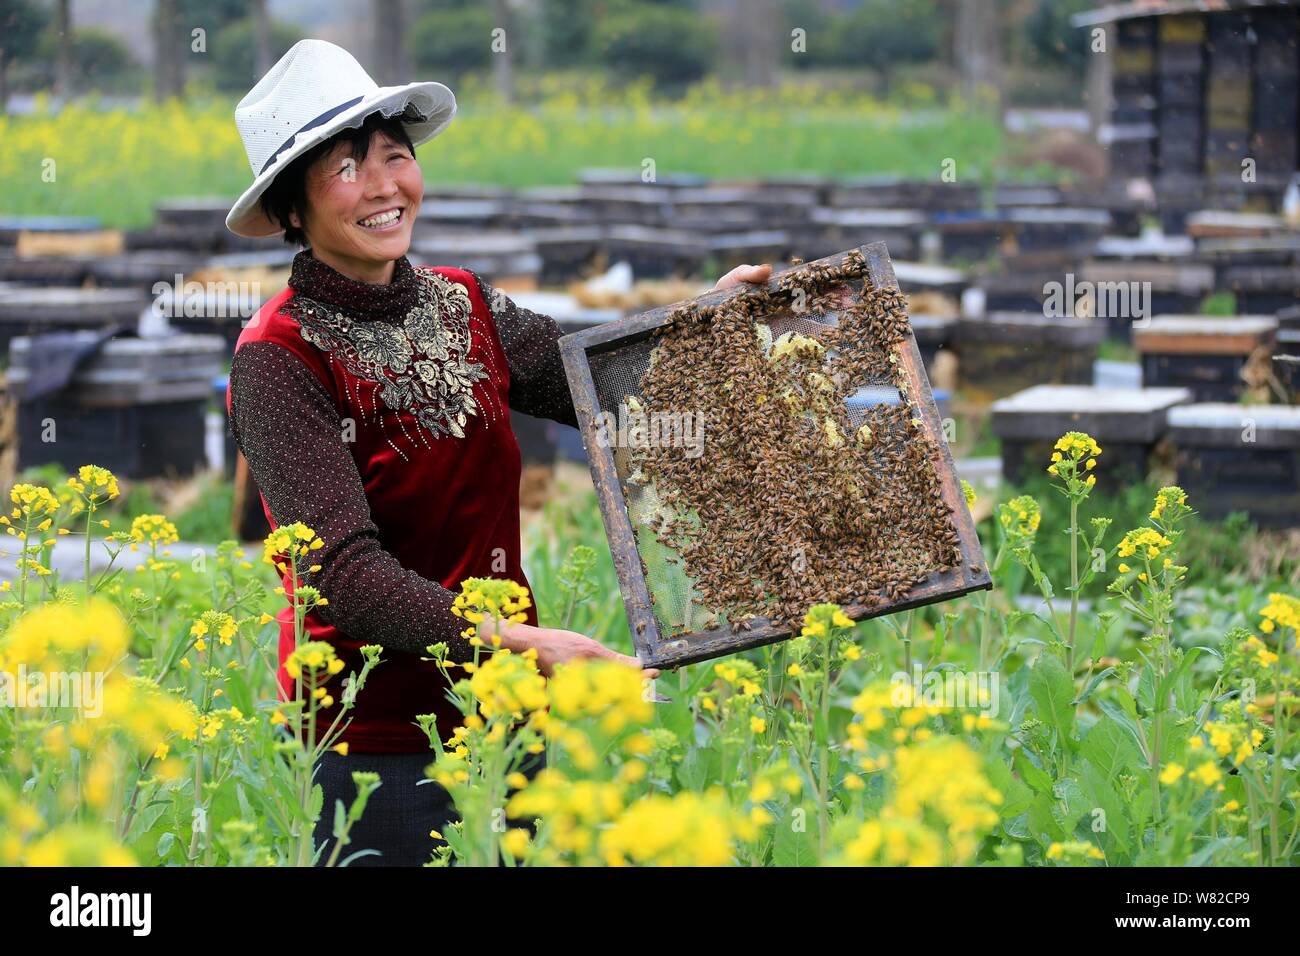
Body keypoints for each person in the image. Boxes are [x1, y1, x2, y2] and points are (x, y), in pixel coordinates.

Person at [223, 39, 772, 866]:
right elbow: (342, 575)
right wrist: (532, 646)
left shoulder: (463, 301)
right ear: (293, 206)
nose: (383, 186)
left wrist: (703, 322)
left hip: (505, 709)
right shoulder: (279, 355)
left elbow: (596, 380)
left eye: (395, 157)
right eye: (345, 168)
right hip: (374, 739)